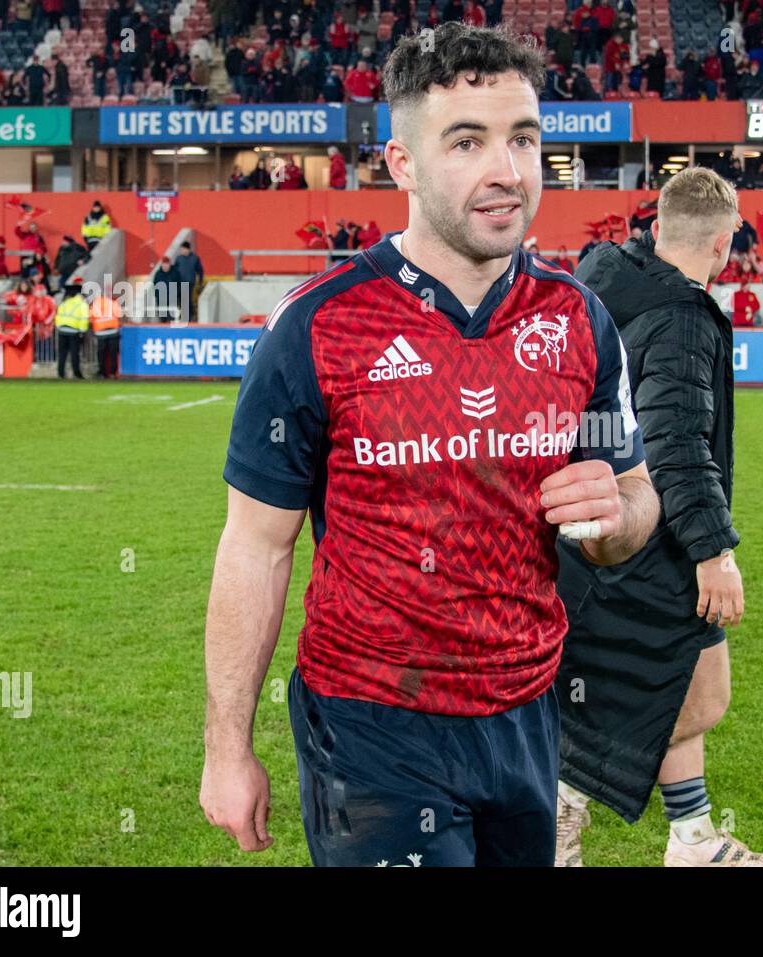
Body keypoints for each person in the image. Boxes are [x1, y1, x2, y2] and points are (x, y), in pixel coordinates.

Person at [201, 22, 658, 869]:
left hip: (526, 713)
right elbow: (256, 547)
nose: (507, 171)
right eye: (467, 142)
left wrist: (615, 514)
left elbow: (633, 497)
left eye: (523, 139)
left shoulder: (577, 320)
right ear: (401, 164)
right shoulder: (317, 327)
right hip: (372, 720)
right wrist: (227, 746)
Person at [558, 167, 763, 868]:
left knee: (683, 681)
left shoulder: (602, 275)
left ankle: (691, 836)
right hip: (647, 537)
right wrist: (716, 550)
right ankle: (562, 822)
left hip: (588, 526)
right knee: (682, 688)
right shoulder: (681, 317)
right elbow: (676, 445)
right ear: (724, 241)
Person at [53, 276, 90, 379]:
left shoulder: (65, 303)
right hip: (74, 331)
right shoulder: (82, 304)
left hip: (62, 330)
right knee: (74, 354)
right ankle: (76, 373)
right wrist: (82, 331)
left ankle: (60, 373)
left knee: (62, 354)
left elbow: (58, 315)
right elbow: (84, 318)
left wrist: (59, 327)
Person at [90, 287, 122, 378]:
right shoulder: (113, 303)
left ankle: (102, 373)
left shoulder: (96, 304)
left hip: (100, 333)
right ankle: (112, 373)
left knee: (101, 354)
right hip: (113, 331)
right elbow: (119, 314)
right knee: (113, 354)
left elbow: (91, 317)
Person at [172, 240, 204, 322]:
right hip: (179, 282)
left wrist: (200, 282)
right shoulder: (179, 258)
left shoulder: (194, 258)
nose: (182, 251)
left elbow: (200, 270)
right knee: (180, 298)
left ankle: (187, 317)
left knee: (186, 299)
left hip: (189, 282)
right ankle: (189, 313)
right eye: (181, 249)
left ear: (188, 249)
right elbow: (175, 270)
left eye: (184, 249)